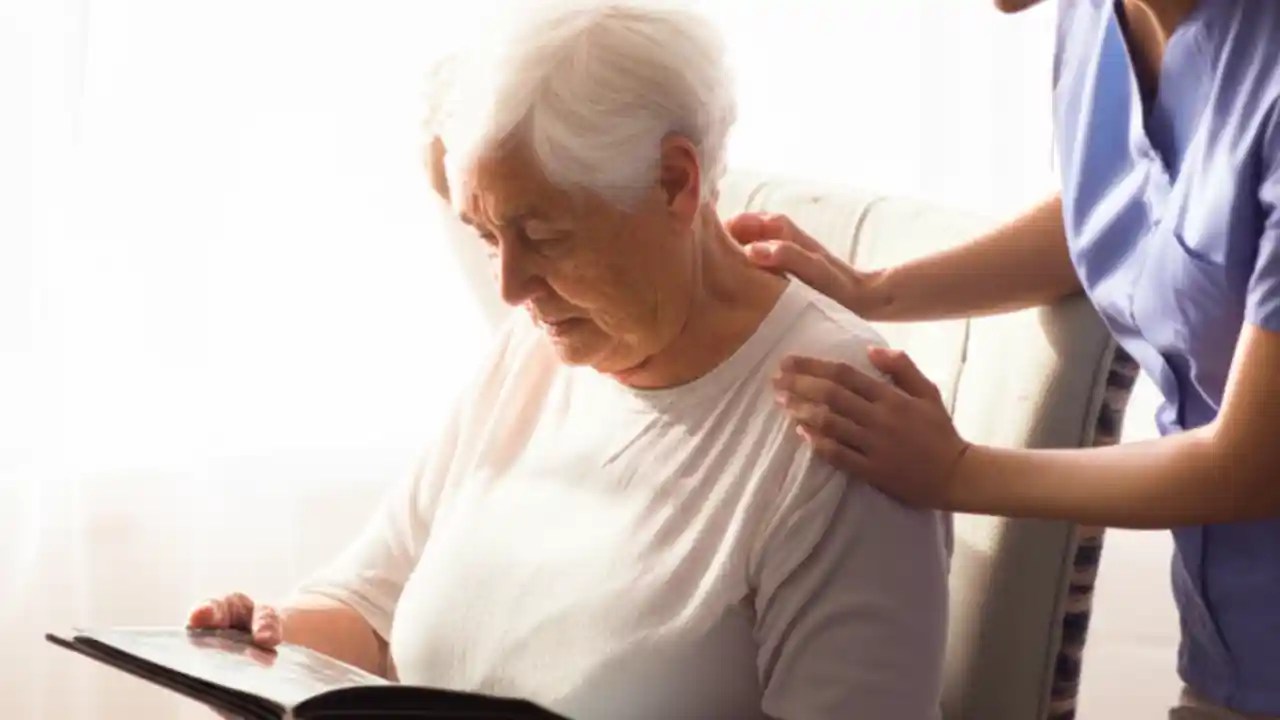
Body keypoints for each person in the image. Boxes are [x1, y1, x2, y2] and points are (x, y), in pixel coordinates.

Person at [186, 3, 951, 719]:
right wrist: (265, 652)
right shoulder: (536, 353)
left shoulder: (846, 422)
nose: (511, 286)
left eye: (544, 236)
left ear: (674, 182)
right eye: (486, 237)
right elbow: (370, 609)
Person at [725, 1, 1280, 718]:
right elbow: (1136, 203)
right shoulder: (1102, 19)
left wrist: (956, 470)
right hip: (1229, 655)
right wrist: (878, 289)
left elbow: (1253, 464)